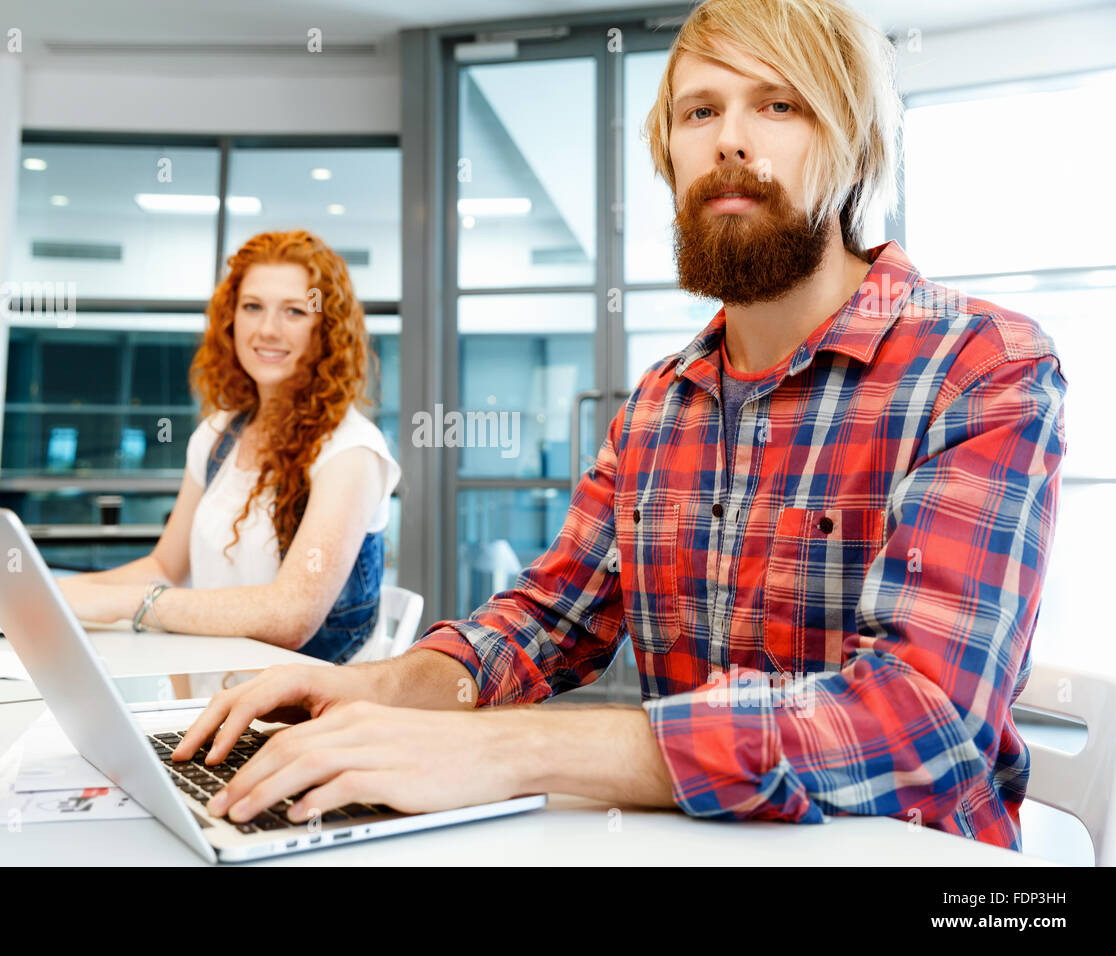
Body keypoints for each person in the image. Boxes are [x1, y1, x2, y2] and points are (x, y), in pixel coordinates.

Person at [171, 0, 1066, 850]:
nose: (730, 140)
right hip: (699, 850)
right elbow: (545, 620)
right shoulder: (658, 406)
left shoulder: (980, 367)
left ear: (854, 148)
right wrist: (369, 690)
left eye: (779, 105)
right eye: (699, 112)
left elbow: (921, 719)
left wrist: (510, 750)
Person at [58, 230, 401, 675]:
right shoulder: (218, 434)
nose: (267, 330)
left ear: (326, 330)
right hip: (212, 689)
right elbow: (164, 567)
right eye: (252, 306)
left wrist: (133, 603)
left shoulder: (352, 451)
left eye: (294, 311)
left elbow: (291, 616)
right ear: (230, 318)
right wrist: (55, 592)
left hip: (308, 707)